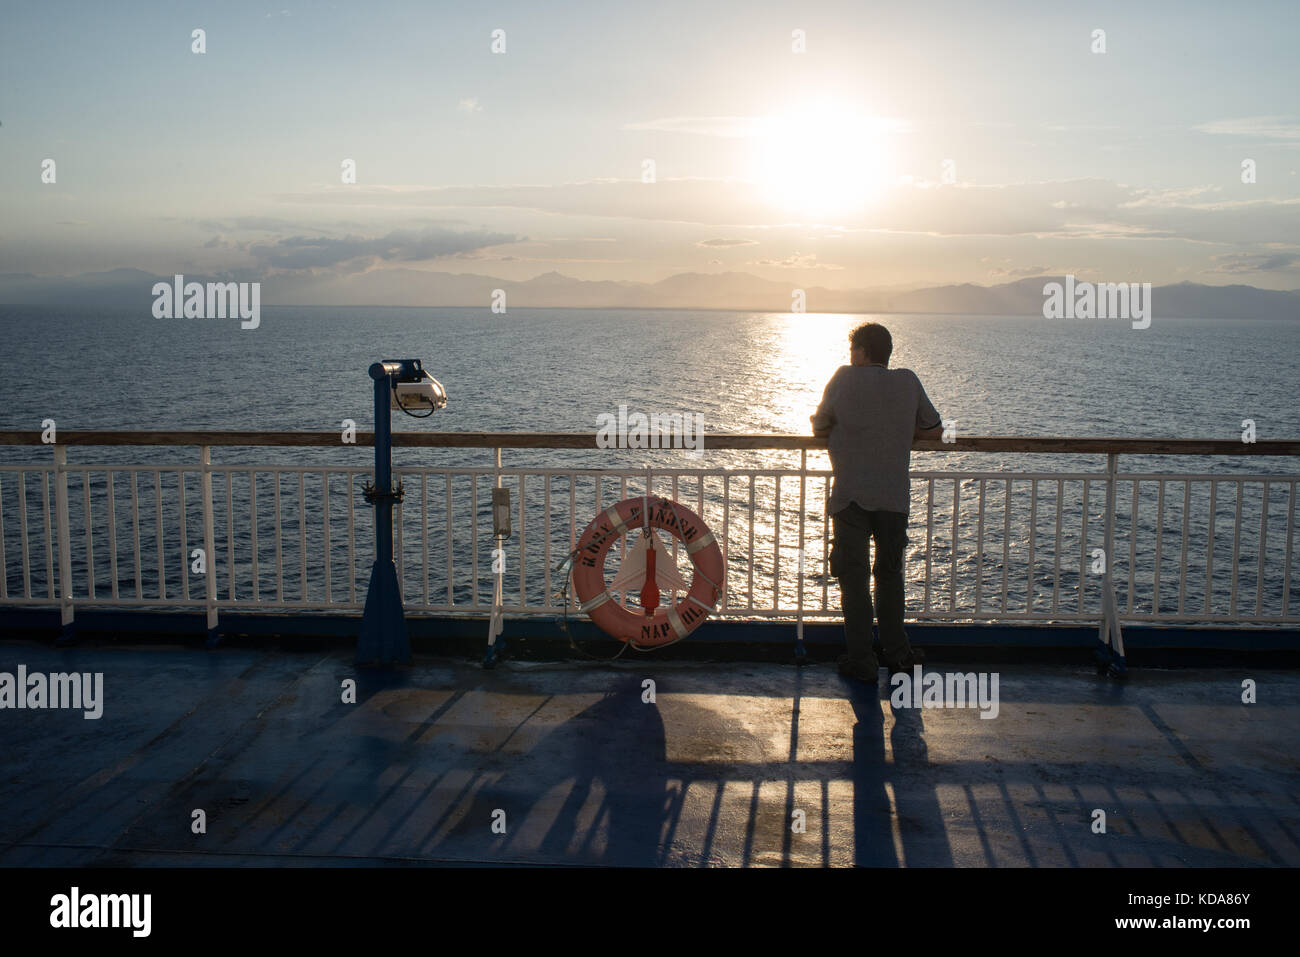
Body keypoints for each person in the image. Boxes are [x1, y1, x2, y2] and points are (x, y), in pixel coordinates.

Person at [811, 322, 943, 683]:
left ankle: (862, 659)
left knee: (853, 581)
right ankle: (899, 656)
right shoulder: (907, 381)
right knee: (889, 577)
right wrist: (899, 431)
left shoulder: (843, 378)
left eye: (852, 350)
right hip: (893, 497)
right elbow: (934, 429)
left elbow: (819, 426)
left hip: (851, 496)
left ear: (861, 352)